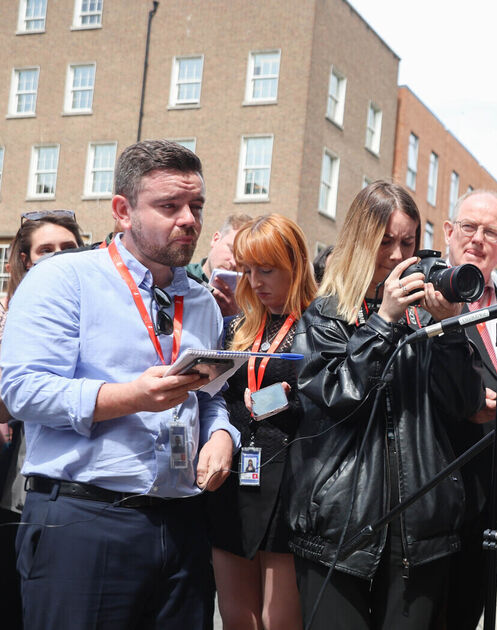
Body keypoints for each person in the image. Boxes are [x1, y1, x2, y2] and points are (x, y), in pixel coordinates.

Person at [0, 139, 237, 628]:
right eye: (169, 206)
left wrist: (220, 435)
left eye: (196, 206)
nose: (189, 220)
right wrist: (130, 397)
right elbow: (22, 390)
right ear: (123, 211)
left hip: (183, 525)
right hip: (84, 522)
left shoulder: (202, 302)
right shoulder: (63, 280)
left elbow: (210, 397)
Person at [286, 182, 484, 630]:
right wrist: (383, 322)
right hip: (339, 525)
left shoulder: (426, 316)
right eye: (385, 241)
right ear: (360, 240)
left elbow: (464, 403)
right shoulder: (326, 313)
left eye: (407, 242)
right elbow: (337, 397)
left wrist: (450, 329)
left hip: (420, 525)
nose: (396, 255)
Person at [207, 214, 318, 630]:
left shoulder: (319, 327)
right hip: (235, 479)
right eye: (248, 270)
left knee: (278, 620)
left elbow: (330, 400)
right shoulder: (236, 328)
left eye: (266, 270)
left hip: (290, 483)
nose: (255, 282)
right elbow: (219, 399)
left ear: (296, 265)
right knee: (237, 617)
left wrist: (276, 399)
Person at [434, 189, 497, 629]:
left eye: (491, 232)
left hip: (493, 494)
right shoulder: (425, 299)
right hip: (436, 489)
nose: (477, 239)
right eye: (469, 227)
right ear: (449, 231)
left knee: (467, 615)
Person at [0, 209, 86, 630]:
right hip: (18, 468)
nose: (57, 256)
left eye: (68, 247)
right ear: (25, 259)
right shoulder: (8, 313)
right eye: (45, 249)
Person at [187, 213, 253, 316]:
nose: (234, 262)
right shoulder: (178, 277)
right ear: (216, 239)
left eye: (242, 258)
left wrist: (234, 316)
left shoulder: (252, 298)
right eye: (231, 250)